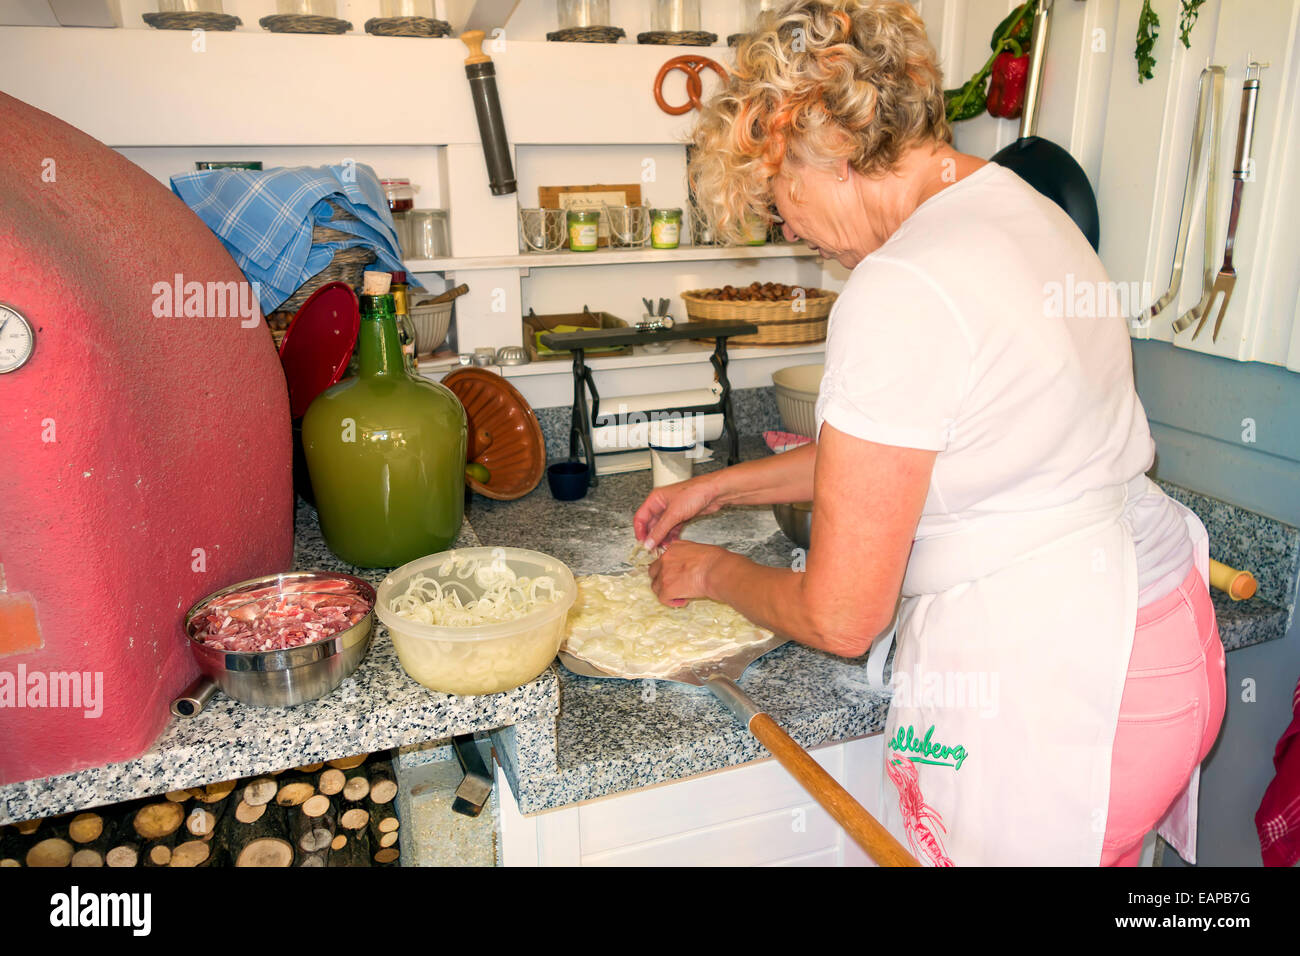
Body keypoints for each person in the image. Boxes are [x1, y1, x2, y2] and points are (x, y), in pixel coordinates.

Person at [633, 0, 1225, 866]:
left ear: (818, 141)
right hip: (1156, 634)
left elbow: (842, 617)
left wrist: (713, 570)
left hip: (1062, 692)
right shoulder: (1013, 206)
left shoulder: (899, 287)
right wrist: (720, 486)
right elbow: (927, 453)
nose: (787, 229)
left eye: (778, 196)